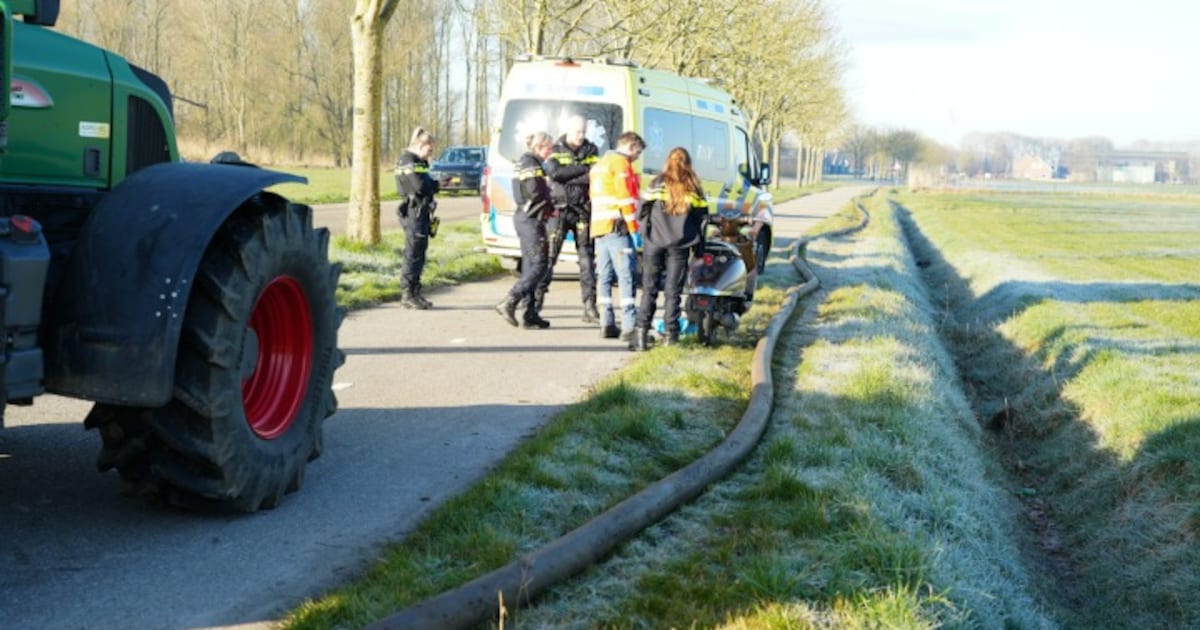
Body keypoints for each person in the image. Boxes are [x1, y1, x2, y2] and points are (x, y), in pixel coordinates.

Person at [630, 147, 708, 351]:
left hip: (654, 242)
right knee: (673, 292)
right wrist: (699, 250)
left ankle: (640, 335)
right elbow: (702, 220)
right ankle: (670, 336)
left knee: (649, 289)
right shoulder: (694, 187)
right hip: (680, 245)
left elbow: (641, 211)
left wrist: (647, 232)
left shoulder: (656, 183)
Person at [539, 115, 601, 323]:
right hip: (560, 209)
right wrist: (583, 170)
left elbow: (595, 175)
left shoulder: (592, 150)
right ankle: (535, 302)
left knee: (587, 261)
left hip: (583, 210)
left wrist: (571, 174)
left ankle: (590, 306)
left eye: (584, 132)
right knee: (549, 257)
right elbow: (555, 174)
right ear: (568, 130)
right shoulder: (556, 149)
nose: (581, 136)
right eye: (577, 132)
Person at [589, 131, 646, 341]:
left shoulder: (600, 164)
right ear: (631, 147)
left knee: (603, 276)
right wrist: (634, 227)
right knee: (625, 275)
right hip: (617, 226)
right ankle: (629, 326)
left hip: (599, 227)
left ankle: (607, 322)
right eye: (637, 153)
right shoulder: (621, 164)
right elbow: (625, 198)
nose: (637, 158)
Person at [495, 132, 555, 329]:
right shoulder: (530, 163)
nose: (552, 151)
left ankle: (529, 314)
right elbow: (535, 191)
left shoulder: (530, 162)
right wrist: (552, 197)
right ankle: (510, 301)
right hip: (530, 219)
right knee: (539, 264)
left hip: (529, 218)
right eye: (549, 147)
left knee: (530, 266)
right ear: (539, 146)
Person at [394, 127, 439, 309]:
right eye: (429, 150)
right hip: (415, 211)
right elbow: (420, 186)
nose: (430, 154)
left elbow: (423, 184)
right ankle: (408, 293)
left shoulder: (417, 161)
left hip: (420, 211)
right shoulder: (409, 160)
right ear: (421, 144)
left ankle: (415, 292)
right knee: (413, 253)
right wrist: (437, 184)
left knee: (419, 252)